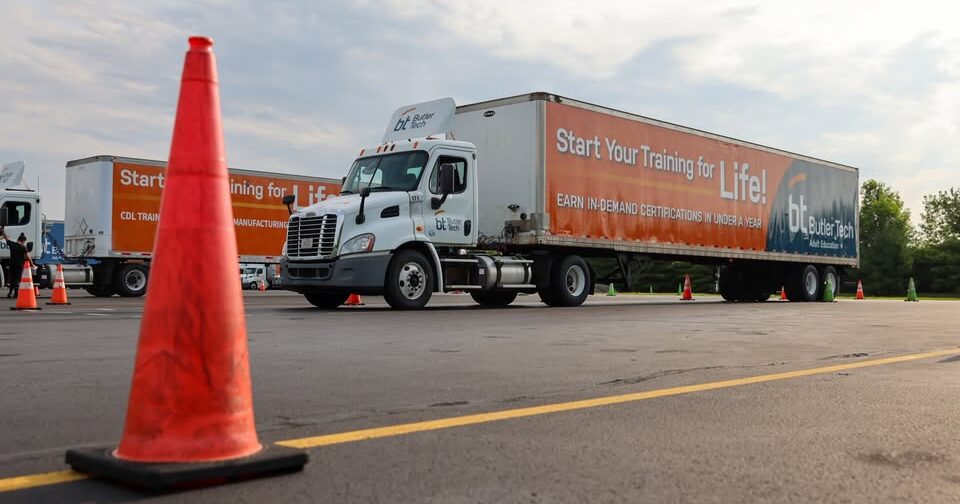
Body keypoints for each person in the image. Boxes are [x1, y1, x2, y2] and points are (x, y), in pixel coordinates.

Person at [1, 229, 34, 298]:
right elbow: (27, 257)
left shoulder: (12, 244)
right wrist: (32, 264)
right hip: (19, 266)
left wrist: (3, 232)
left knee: (12, 279)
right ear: (23, 241)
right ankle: (16, 294)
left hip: (12, 265)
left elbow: (6, 239)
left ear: (18, 239)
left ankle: (10, 293)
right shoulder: (23, 247)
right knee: (17, 279)